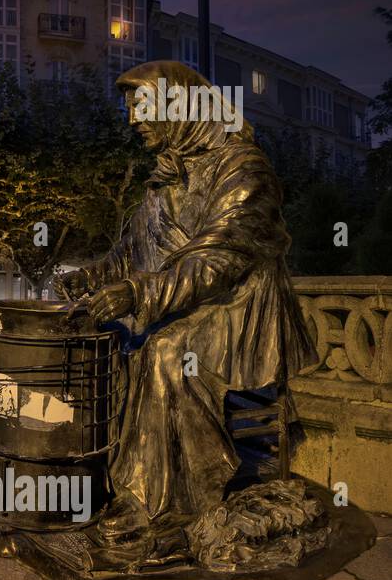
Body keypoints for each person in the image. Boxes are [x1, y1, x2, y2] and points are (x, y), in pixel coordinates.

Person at [57, 60, 315, 544]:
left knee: (167, 354)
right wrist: (89, 277)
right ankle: (120, 478)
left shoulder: (243, 167)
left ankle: (172, 506)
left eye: (142, 106)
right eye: (130, 108)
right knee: (111, 344)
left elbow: (221, 258)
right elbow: (130, 253)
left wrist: (139, 293)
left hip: (239, 311)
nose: (133, 120)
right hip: (189, 304)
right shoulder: (166, 179)